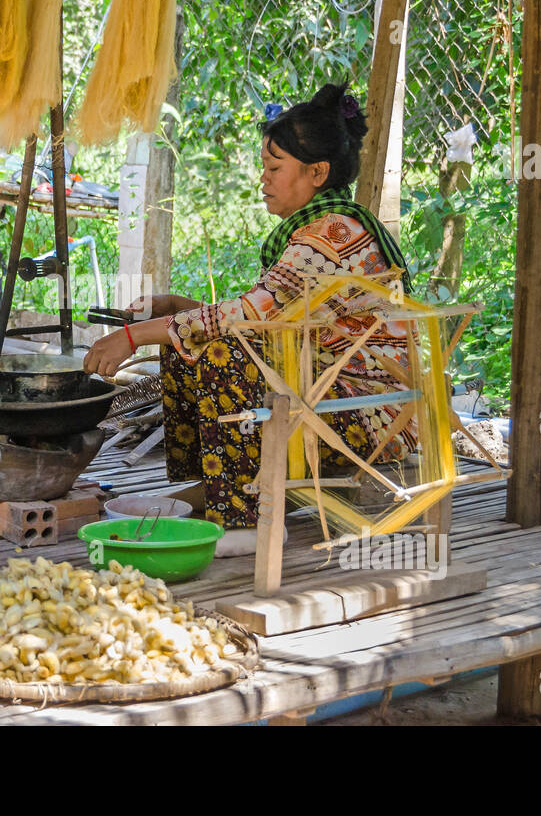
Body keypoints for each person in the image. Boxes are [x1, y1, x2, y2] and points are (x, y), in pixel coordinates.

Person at [82, 83, 418, 556]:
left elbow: (245, 319)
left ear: (317, 172)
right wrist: (179, 307)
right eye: (265, 167)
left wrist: (133, 336)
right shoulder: (327, 227)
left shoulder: (331, 238)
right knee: (193, 343)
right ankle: (219, 492)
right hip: (334, 395)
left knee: (216, 349)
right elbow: (263, 314)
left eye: (275, 168)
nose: (264, 180)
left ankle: (247, 521)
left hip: (369, 416)